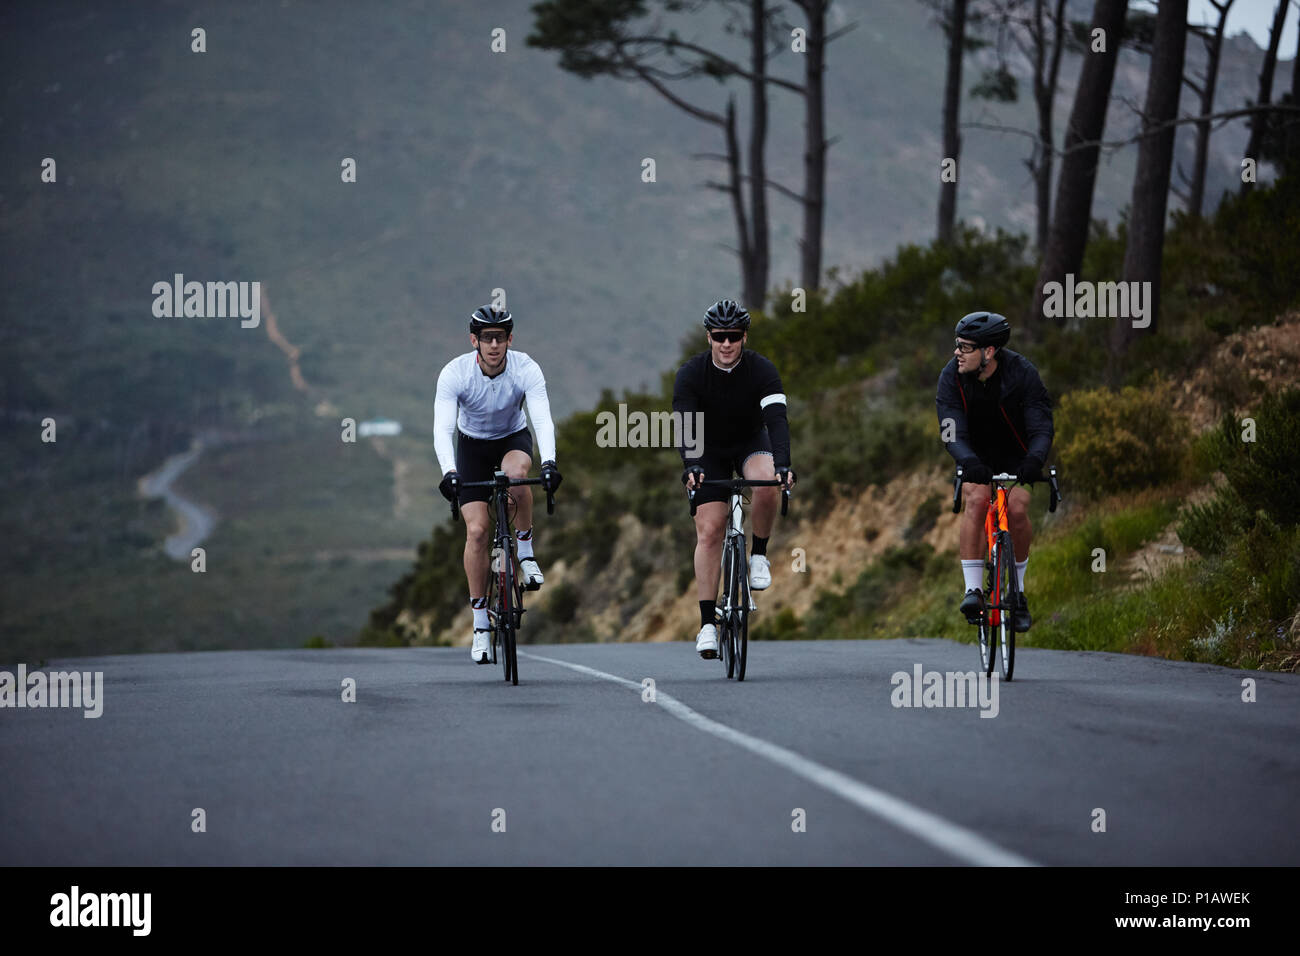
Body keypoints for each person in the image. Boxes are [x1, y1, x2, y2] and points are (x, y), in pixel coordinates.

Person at [434, 306, 562, 664]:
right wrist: (448, 471)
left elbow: (542, 419)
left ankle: (525, 554)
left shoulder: (526, 368)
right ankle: (479, 624)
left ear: (510, 340)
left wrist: (549, 463)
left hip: (511, 438)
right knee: (476, 532)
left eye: (500, 337)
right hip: (471, 447)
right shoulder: (455, 374)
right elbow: (442, 428)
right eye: (486, 338)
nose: (493, 345)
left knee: (517, 475)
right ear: (474, 341)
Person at [672, 299, 796, 660]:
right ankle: (708, 624)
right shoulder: (691, 373)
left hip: (749, 442)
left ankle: (758, 554)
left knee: (766, 480)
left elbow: (777, 422)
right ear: (709, 337)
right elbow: (685, 427)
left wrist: (784, 465)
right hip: (707, 449)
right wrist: (691, 465)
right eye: (720, 336)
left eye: (734, 336)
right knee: (710, 529)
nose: (727, 344)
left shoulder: (762, 370)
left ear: (744, 337)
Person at [936, 311, 1053, 631]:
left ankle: (1018, 593)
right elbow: (950, 431)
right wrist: (967, 460)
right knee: (976, 499)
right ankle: (973, 589)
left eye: (965, 347)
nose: (957, 353)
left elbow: (1041, 426)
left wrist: (1035, 460)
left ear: (989, 352)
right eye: (956, 345)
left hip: (1019, 457)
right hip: (974, 455)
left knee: (1017, 509)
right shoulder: (951, 377)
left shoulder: (1022, 373)